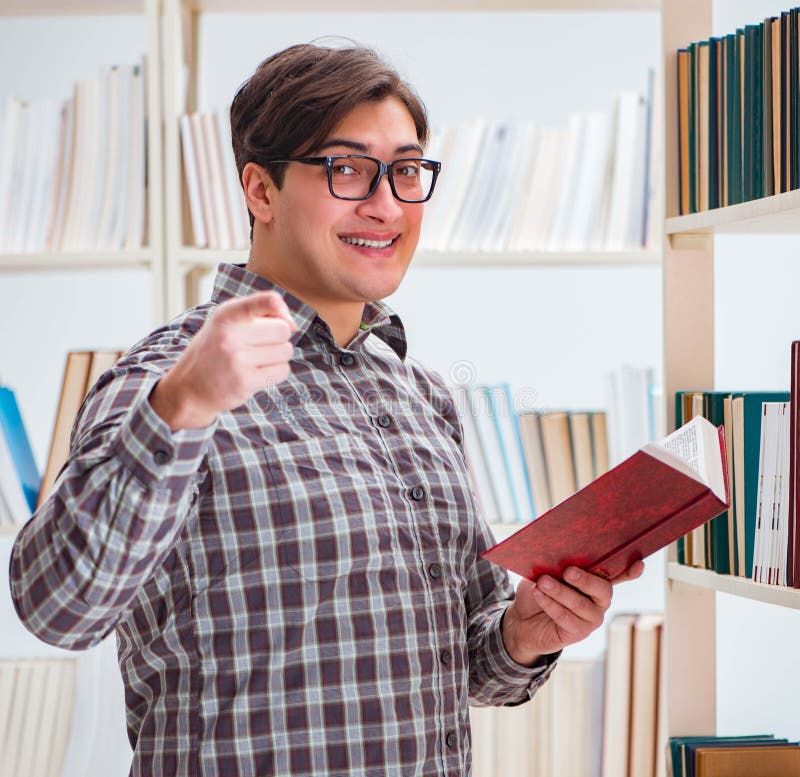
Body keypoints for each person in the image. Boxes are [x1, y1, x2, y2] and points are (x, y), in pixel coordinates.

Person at [10, 42, 642, 777]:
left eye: (406, 172)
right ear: (261, 190)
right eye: (347, 169)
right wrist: (180, 407)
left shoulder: (421, 398)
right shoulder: (169, 381)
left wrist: (522, 633)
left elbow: (459, 665)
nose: (386, 205)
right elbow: (58, 609)